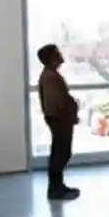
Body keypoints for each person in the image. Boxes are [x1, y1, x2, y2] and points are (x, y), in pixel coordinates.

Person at [37, 44, 80, 200]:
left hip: (60, 119)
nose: (60, 55)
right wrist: (67, 114)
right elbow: (56, 101)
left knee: (61, 152)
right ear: (51, 57)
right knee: (61, 152)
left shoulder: (51, 75)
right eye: (57, 53)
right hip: (59, 119)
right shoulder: (50, 77)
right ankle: (56, 189)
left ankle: (58, 187)